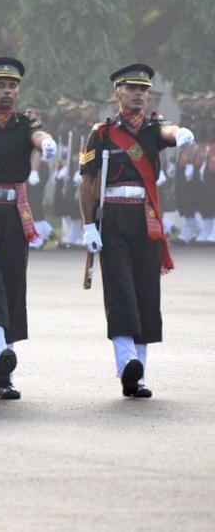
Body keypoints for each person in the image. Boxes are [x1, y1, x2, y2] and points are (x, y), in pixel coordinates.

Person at [80, 64, 193, 399]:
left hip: (145, 220)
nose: (139, 95)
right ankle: (127, 362)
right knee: (120, 292)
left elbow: (168, 132)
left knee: (145, 294)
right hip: (112, 219)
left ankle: (138, 375)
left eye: (144, 90)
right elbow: (86, 182)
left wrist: (180, 133)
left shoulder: (153, 127)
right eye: (132, 89)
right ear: (117, 93)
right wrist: (88, 225)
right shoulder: (101, 133)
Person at [0, 57, 57, 399]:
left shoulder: (25, 124)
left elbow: (38, 134)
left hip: (15, 215)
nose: (7, 90)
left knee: (14, 286)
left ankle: (5, 372)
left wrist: (45, 143)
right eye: (0, 84)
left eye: (12, 85)